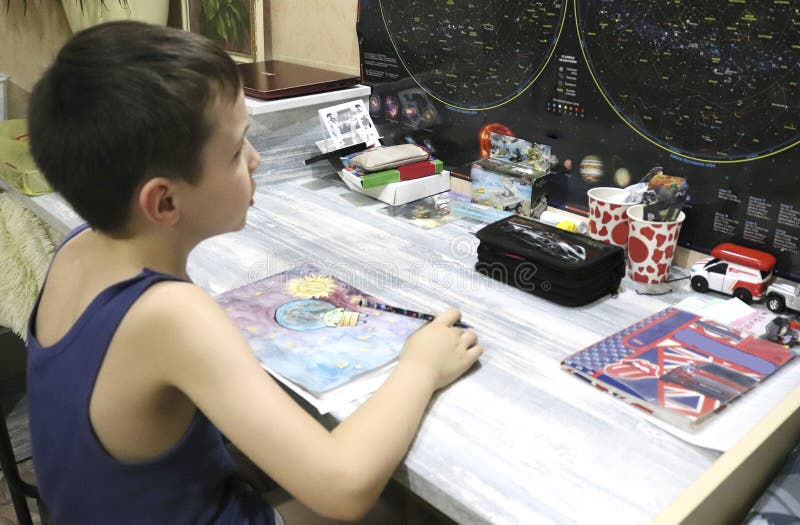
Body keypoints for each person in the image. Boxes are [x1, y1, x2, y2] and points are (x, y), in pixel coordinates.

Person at [25, 21, 482, 524]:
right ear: (165, 201)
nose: (257, 159)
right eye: (237, 149)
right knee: (403, 509)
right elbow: (344, 486)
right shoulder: (169, 313)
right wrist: (420, 366)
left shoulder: (78, 247)